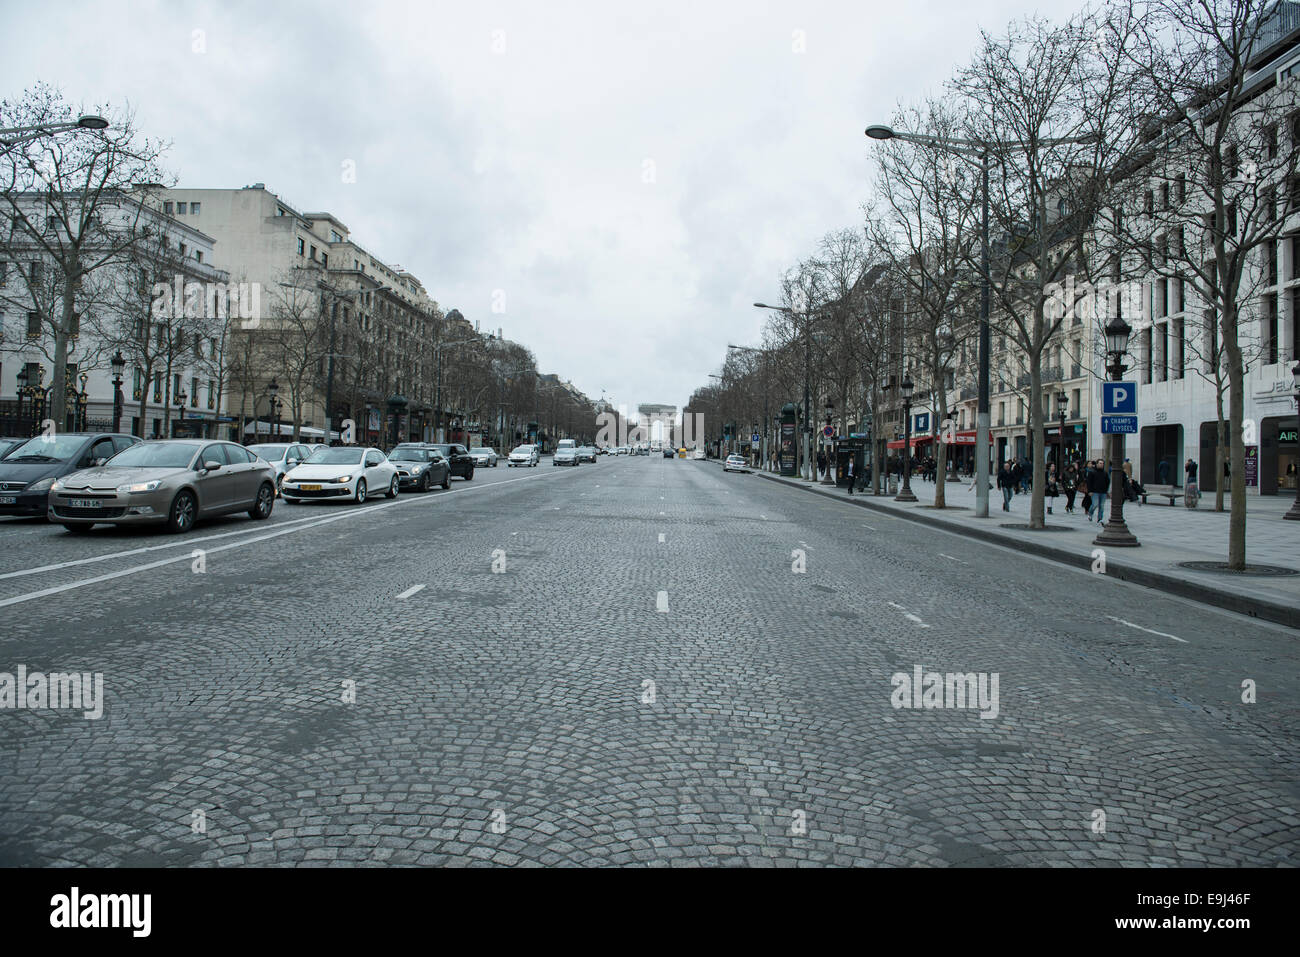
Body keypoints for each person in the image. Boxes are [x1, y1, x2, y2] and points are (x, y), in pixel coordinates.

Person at [1087, 458, 1109, 523]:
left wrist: (1106, 490)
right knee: (1095, 504)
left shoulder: (1105, 473)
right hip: (1094, 491)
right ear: (1096, 464)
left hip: (1103, 492)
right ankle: (1090, 513)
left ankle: (1100, 518)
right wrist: (1090, 491)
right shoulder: (1092, 472)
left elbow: (1107, 482)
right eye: (1100, 463)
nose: (1101, 465)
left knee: (1101, 506)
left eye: (1102, 463)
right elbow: (1089, 482)